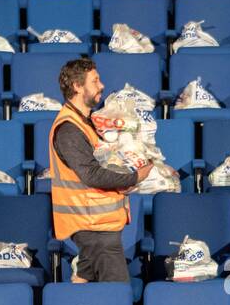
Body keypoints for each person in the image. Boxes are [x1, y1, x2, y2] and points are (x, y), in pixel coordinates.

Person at [48, 56, 153, 282]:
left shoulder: (85, 122)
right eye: (95, 81)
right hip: (92, 226)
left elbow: (102, 163)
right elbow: (91, 174)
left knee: (82, 281)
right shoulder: (68, 129)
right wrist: (133, 177)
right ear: (77, 86)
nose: (102, 85)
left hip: (99, 221)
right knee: (117, 295)